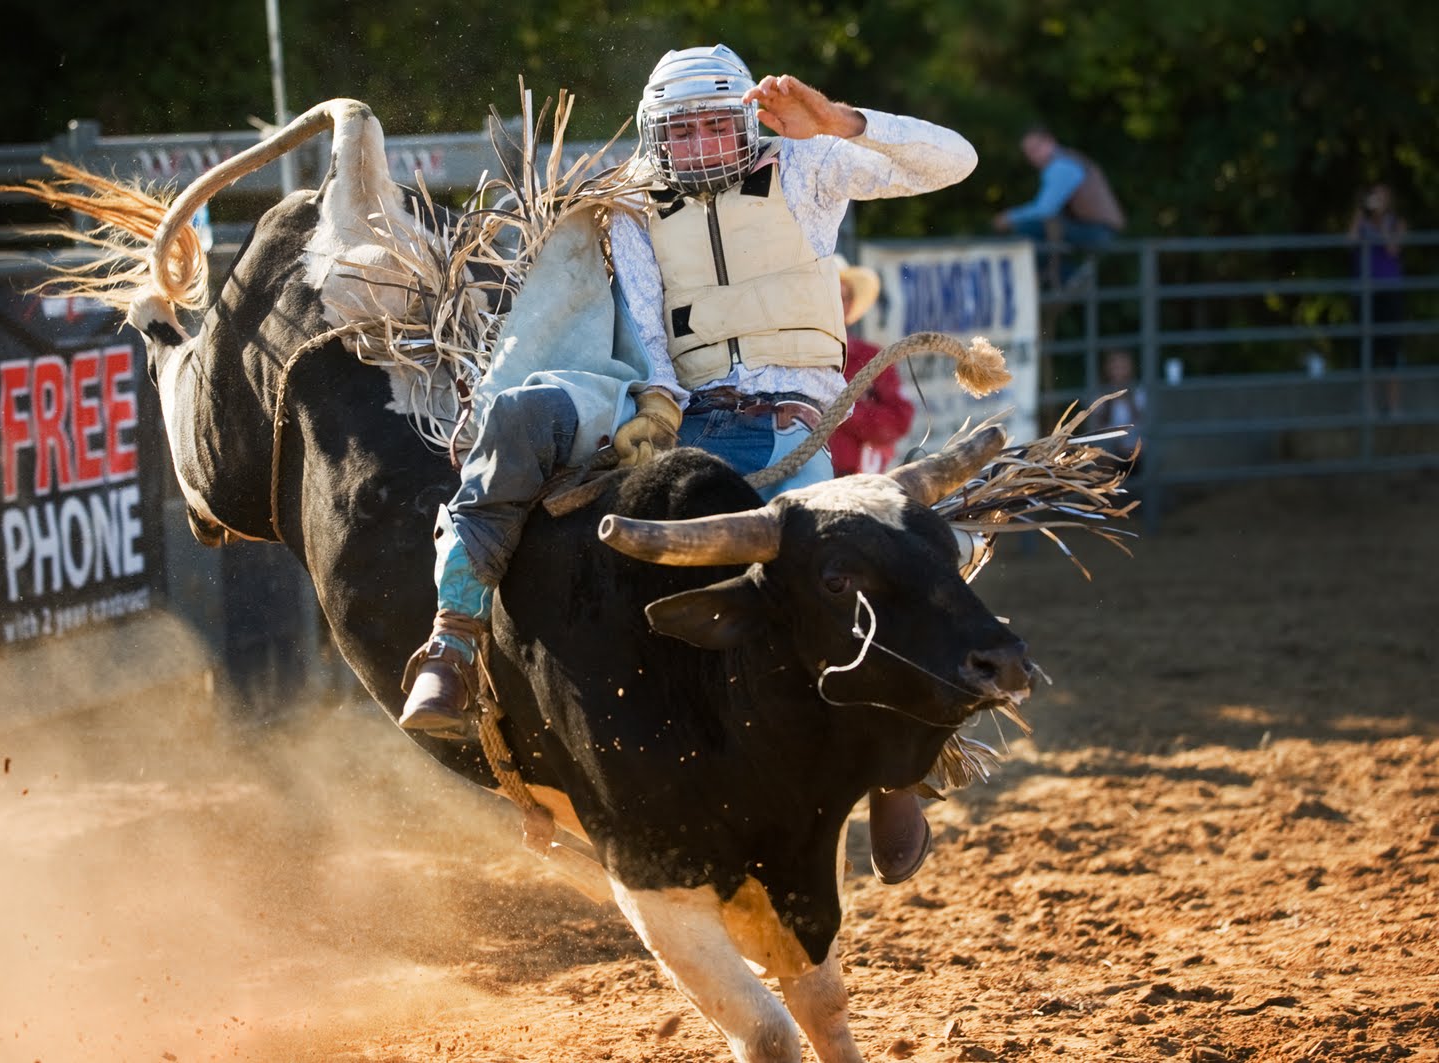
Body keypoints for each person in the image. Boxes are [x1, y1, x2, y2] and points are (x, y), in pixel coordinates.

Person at [400, 43, 978, 884]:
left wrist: (841, 121)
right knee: (595, 525)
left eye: (717, 122)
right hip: (695, 419)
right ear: (657, 134)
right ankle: (469, 657)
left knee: (875, 564)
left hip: (796, 420)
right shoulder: (632, 206)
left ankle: (904, 765)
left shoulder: (808, 166)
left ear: (747, 119)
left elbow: (953, 161)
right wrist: (659, 408)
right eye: (685, 128)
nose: (703, 141)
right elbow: (647, 323)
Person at [993, 125, 1124, 288]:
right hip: (1099, 230)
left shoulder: (1061, 166)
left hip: (1096, 231)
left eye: (1035, 149)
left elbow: (1045, 209)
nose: (1032, 157)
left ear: (1050, 142)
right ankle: (1055, 278)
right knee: (1039, 229)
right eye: (1028, 153)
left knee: (1029, 228)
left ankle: (1060, 277)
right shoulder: (1068, 161)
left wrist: (1009, 217)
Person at [828, 256, 916, 476]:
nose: (837, 305)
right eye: (830, 298)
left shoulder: (869, 357)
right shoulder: (791, 357)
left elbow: (899, 420)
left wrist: (841, 409)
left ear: (849, 305)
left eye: (842, 297)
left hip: (855, 478)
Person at [1347, 182, 1407, 412]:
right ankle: (1368, 409)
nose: (1377, 201)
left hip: (1389, 291)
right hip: (1364, 291)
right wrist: (1359, 215)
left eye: (1382, 197)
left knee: (1391, 350)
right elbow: (1349, 242)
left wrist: (1380, 223)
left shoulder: (1397, 222)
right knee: (1366, 351)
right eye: (1374, 196)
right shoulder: (1360, 220)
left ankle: (1393, 407)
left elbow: (1393, 248)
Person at [1088, 349, 1144, 467]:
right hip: (1109, 450)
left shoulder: (1139, 394)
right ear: (1107, 369)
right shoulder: (1100, 396)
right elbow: (1095, 428)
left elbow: (1143, 423)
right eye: (1115, 366)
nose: (1119, 371)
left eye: (1123, 366)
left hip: (1135, 448)